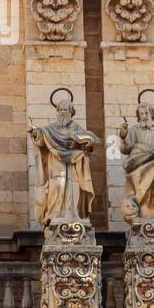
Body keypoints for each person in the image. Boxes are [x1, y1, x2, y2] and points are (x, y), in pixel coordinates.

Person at [29, 97, 100, 226]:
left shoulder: (77, 128)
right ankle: (54, 213)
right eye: (60, 110)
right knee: (57, 184)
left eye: (65, 110)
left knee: (73, 187)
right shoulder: (51, 129)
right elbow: (41, 138)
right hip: (56, 159)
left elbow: (87, 145)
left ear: (71, 112)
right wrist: (34, 133)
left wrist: (89, 142)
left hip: (74, 161)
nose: (63, 112)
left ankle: (72, 214)